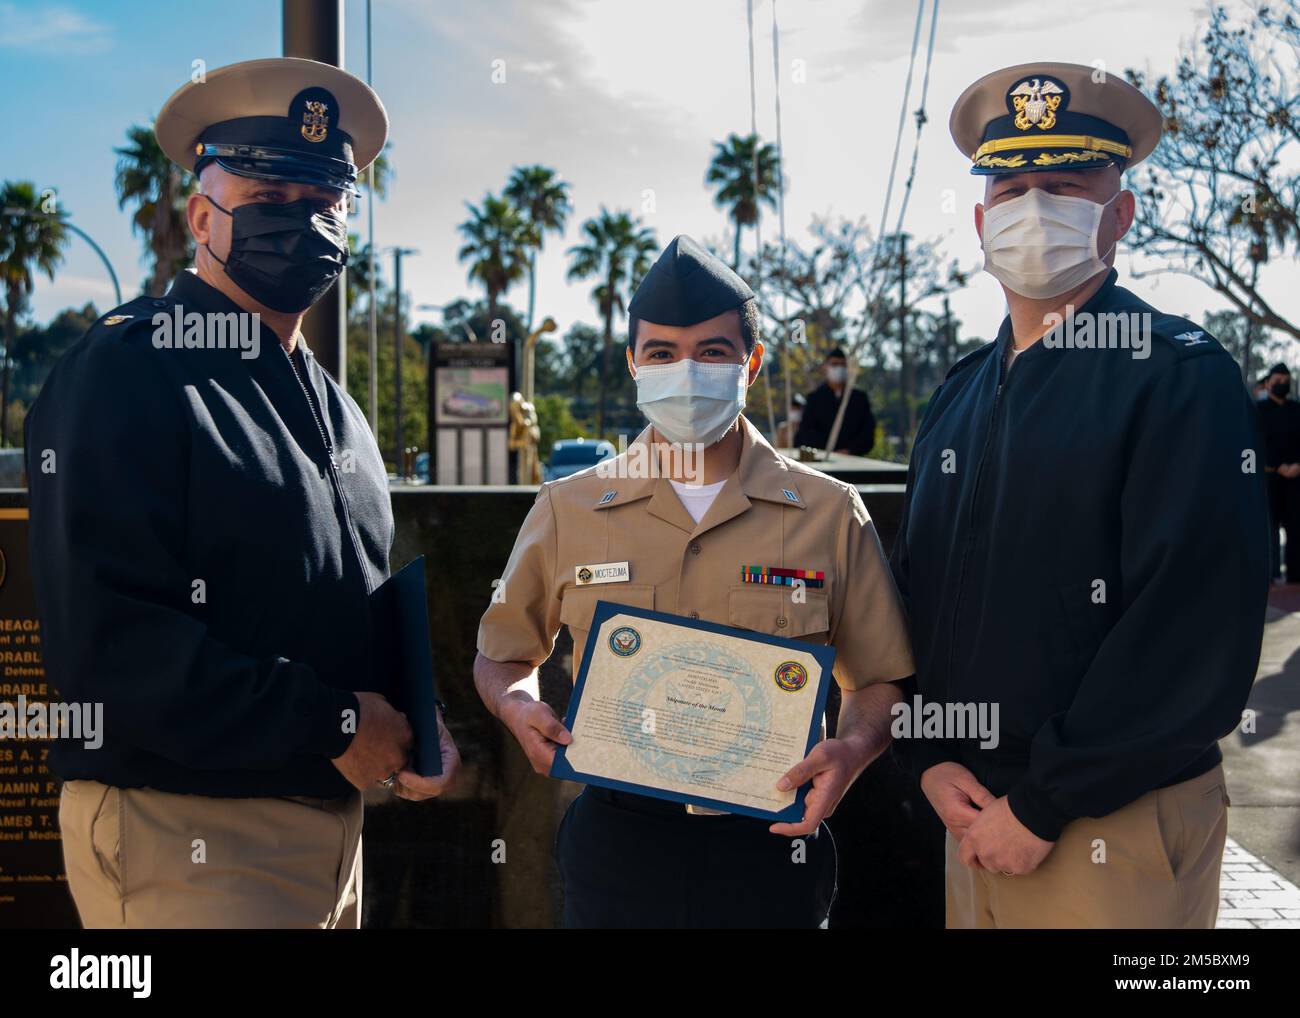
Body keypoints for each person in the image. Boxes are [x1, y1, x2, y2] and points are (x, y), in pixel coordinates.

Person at [26, 57, 459, 929]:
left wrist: (417, 717)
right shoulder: (130, 369)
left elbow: (339, 606)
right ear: (201, 216)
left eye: (325, 204)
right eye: (270, 200)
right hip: (187, 836)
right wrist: (335, 722)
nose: (302, 224)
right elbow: (110, 651)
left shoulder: (334, 408)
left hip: (332, 840)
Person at [891, 62, 1268, 928]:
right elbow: (922, 599)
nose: (1033, 207)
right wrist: (928, 756)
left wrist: (1045, 803)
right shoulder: (958, 394)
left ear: (1119, 213)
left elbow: (1191, 629)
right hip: (970, 815)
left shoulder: (1176, 377)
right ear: (983, 220)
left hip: (1107, 826)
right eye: (1013, 186)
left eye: (1063, 185)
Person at [473, 235, 913, 928]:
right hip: (620, 843)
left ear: (752, 363)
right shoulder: (569, 508)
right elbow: (502, 655)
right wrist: (516, 707)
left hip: (772, 845)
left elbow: (880, 679)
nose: (686, 370)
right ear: (634, 366)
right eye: (661, 354)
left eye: (711, 352)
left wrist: (855, 748)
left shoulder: (829, 513)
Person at [1257, 363, 1300, 583]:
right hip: (1270, 477)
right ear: (1268, 382)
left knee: (1296, 527)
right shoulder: (1259, 410)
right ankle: (1271, 575)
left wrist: (1297, 466)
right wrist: (1277, 466)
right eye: (1278, 381)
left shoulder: (1297, 409)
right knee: (1270, 529)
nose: (1282, 384)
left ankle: (1295, 575)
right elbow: (1256, 444)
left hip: (1296, 479)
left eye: (1286, 380)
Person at [794, 348, 877, 455]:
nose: (839, 368)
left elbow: (867, 432)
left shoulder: (859, 398)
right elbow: (807, 431)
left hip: (852, 459)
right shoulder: (814, 398)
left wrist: (850, 450)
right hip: (821, 459)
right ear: (825, 367)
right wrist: (828, 451)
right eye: (834, 364)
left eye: (843, 364)